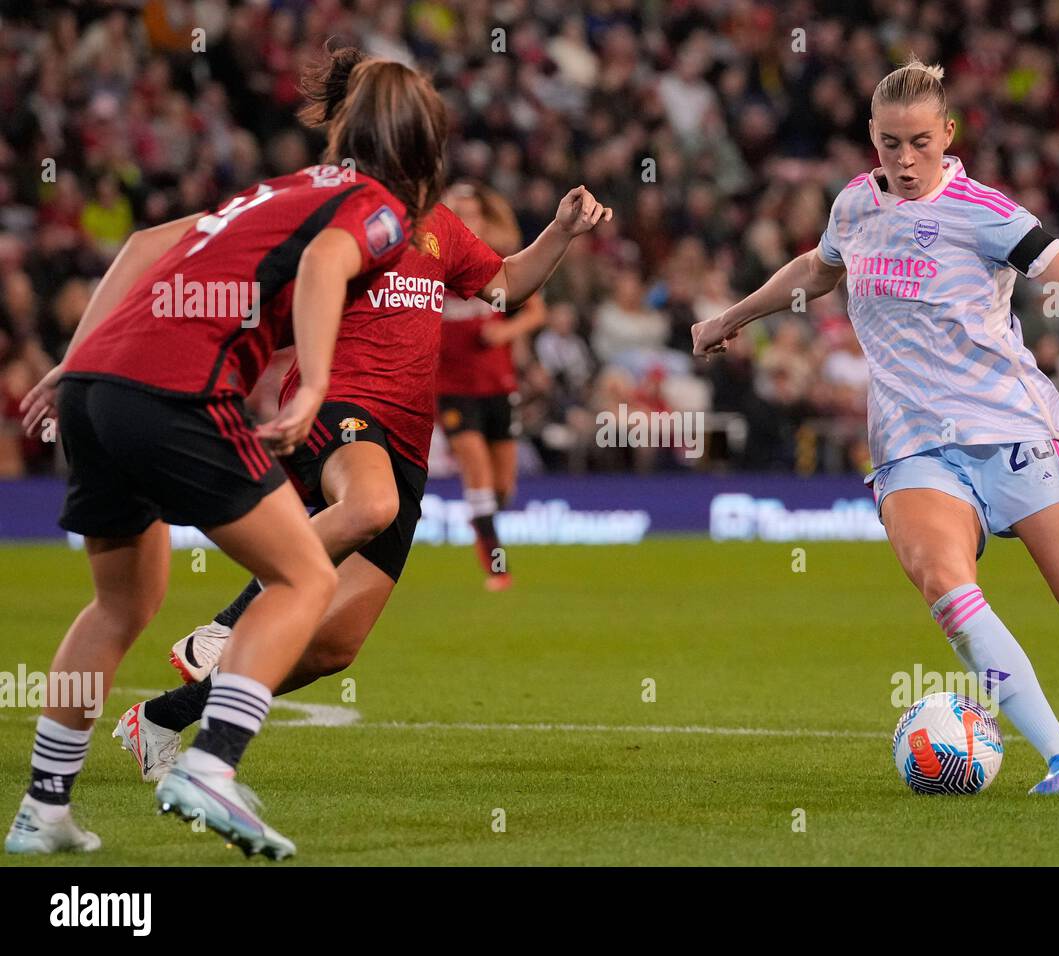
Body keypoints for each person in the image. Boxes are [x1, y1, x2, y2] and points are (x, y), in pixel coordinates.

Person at [691, 58, 1059, 795]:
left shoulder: (987, 212)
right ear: (871, 139)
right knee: (944, 583)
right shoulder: (854, 206)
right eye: (890, 143)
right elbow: (816, 273)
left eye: (920, 141)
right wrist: (731, 317)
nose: (906, 159)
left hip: (1013, 431)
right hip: (913, 447)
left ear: (947, 133)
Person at [5, 47, 448, 859]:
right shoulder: (377, 205)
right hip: (176, 393)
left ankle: (43, 809)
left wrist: (80, 356)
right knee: (306, 575)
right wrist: (314, 384)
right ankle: (211, 764)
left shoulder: (277, 191)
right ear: (424, 149)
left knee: (119, 604)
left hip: (99, 387)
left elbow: (142, 242)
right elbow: (323, 264)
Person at [114, 185, 613, 784]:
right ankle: (227, 624)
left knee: (332, 649)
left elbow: (504, 286)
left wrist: (559, 232)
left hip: (406, 440)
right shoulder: (339, 211)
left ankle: (161, 720)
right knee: (370, 505)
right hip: (338, 404)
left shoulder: (441, 227)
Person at [437, 183, 547, 589]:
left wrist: (505, 335)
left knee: (504, 487)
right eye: (457, 211)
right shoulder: (432, 263)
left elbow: (535, 312)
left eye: (471, 212)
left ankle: (481, 518)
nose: (465, 219)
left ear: (482, 218)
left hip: (498, 385)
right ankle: (497, 569)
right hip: (452, 387)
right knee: (477, 474)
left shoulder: (492, 262)